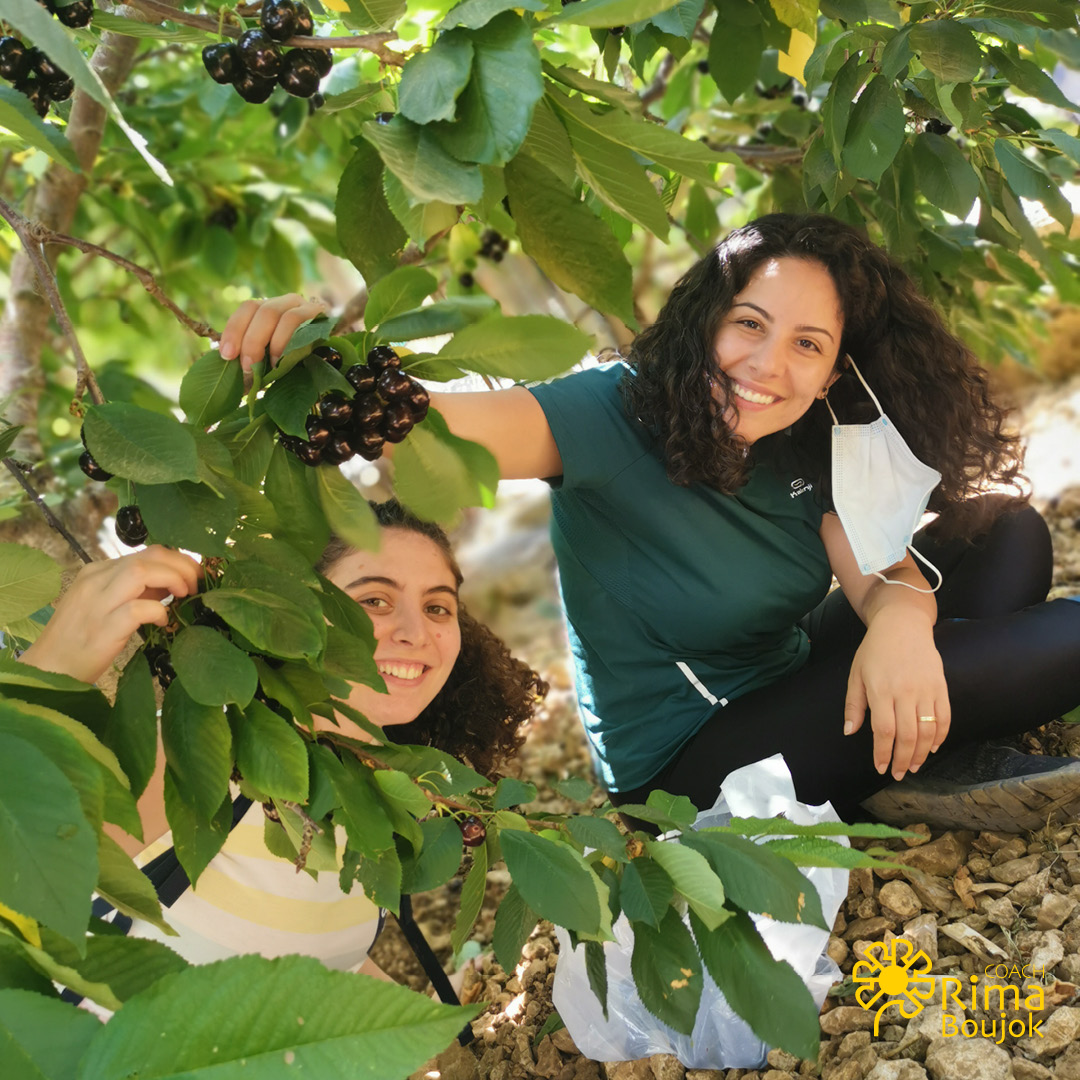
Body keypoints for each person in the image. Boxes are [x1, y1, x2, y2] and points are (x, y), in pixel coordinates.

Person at [219, 213, 1080, 832]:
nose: (766, 365)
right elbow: (426, 426)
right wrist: (320, 363)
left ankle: (904, 754)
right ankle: (920, 746)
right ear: (706, 320)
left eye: (807, 345)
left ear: (832, 371)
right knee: (1065, 641)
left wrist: (903, 621)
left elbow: (876, 565)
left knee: (1007, 531)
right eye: (750, 324)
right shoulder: (612, 413)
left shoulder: (810, 435)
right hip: (687, 765)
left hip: (787, 679)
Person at [20, 499, 545, 973]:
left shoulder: (381, 788)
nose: (416, 631)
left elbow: (315, 954)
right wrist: (49, 672)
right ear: (289, 612)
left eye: (438, 607)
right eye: (374, 601)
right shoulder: (192, 762)